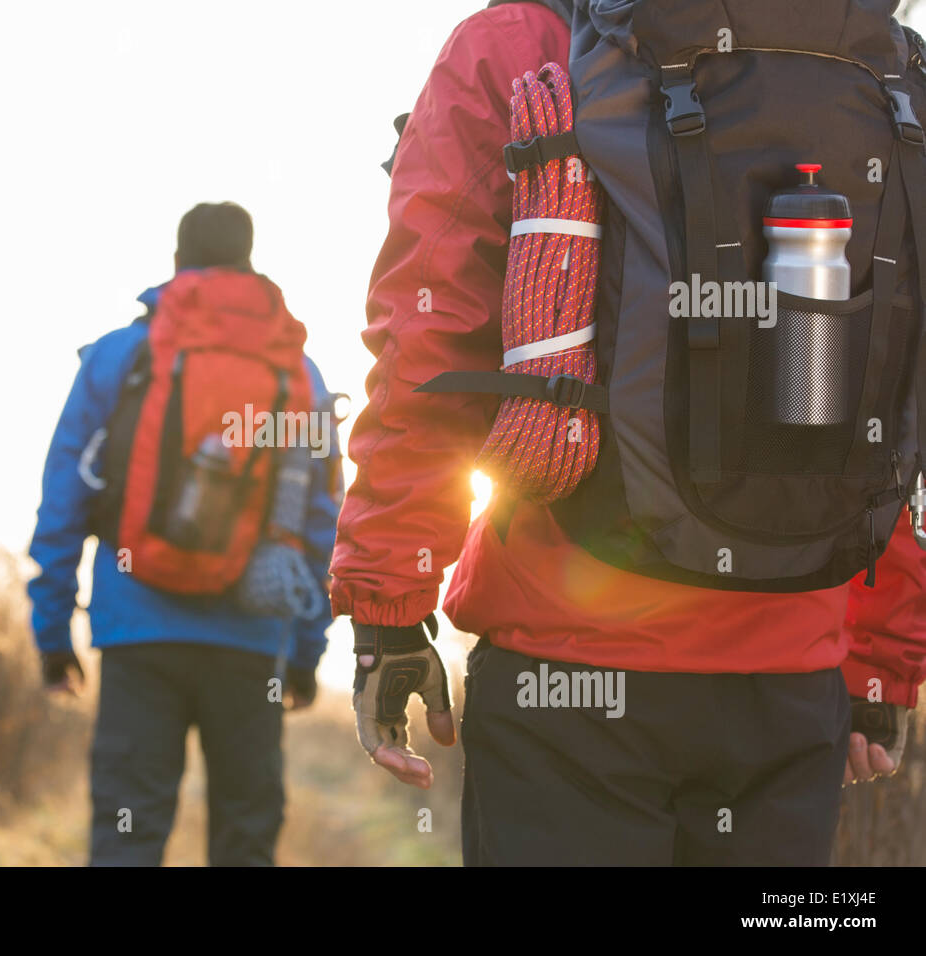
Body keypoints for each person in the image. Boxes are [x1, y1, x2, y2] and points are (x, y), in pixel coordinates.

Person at [331, 0, 926, 865]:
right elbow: (896, 379)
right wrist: (880, 652)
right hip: (791, 679)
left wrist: (388, 607)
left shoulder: (525, 44)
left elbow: (429, 337)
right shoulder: (883, 65)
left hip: (566, 676)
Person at [27, 201, 342, 866]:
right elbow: (321, 522)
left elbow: (64, 498)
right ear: (251, 265)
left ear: (176, 265)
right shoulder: (300, 376)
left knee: (127, 836)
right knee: (245, 839)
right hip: (254, 639)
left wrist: (53, 634)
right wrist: (305, 652)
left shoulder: (121, 355)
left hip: (139, 632)